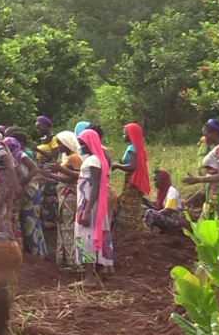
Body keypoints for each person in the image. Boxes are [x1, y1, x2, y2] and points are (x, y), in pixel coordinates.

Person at [75, 130, 115, 289]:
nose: (80, 146)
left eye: (83, 143)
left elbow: (96, 185)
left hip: (89, 203)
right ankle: (96, 275)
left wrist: (86, 210)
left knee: (87, 236)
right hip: (91, 203)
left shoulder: (93, 160)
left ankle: (89, 278)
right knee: (97, 234)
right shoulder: (96, 159)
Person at [183, 120, 219, 219]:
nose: (204, 138)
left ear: (214, 133)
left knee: (209, 223)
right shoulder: (218, 148)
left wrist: (197, 179)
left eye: (206, 134)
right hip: (216, 191)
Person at [43, 132, 84, 270]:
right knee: (64, 225)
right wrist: (49, 175)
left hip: (70, 195)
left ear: (67, 143)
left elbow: (73, 179)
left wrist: (57, 171)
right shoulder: (68, 158)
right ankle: (67, 260)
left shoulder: (75, 158)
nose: (58, 146)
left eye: (60, 143)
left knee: (69, 226)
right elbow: (63, 178)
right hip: (64, 194)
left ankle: (74, 261)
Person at [6, 134, 48, 257]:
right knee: (24, 222)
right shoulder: (12, 157)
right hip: (23, 189)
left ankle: (38, 253)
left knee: (31, 221)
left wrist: (23, 182)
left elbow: (35, 169)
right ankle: (31, 251)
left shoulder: (20, 155)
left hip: (29, 189)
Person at [111, 123, 152, 232]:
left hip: (132, 180)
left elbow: (133, 166)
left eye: (125, 133)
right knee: (133, 206)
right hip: (135, 180)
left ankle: (132, 230)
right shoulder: (137, 147)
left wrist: (117, 166)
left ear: (131, 135)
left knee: (128, 206)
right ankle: (135, 230)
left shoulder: (131, 148)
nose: (123, 135)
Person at [34, 116, 60, 226]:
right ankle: (43, 219)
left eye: (39, 127)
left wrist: (37, 149)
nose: (37, 130)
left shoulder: (54, 139)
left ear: (46, 126)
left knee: (49, 195)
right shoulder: (43, 139)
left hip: (49, 169)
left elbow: (54, 156)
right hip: (41, 169)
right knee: (41, 195)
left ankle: (51, 219)